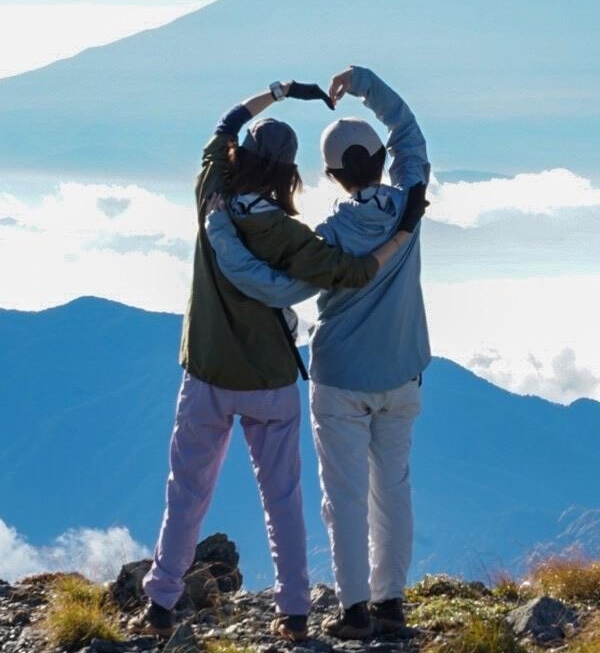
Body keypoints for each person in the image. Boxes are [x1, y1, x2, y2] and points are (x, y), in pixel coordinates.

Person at [134, 80, 426, 642]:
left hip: (208, 373)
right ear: (292, 175)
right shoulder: (296, 236)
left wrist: (278, 92)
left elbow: (224, 125)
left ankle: (161, 604)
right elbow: (348, 273)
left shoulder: (210, 194)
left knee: (187, 490)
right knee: (287, 500)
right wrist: (406, 228)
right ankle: (296, 613)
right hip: (273, 382)